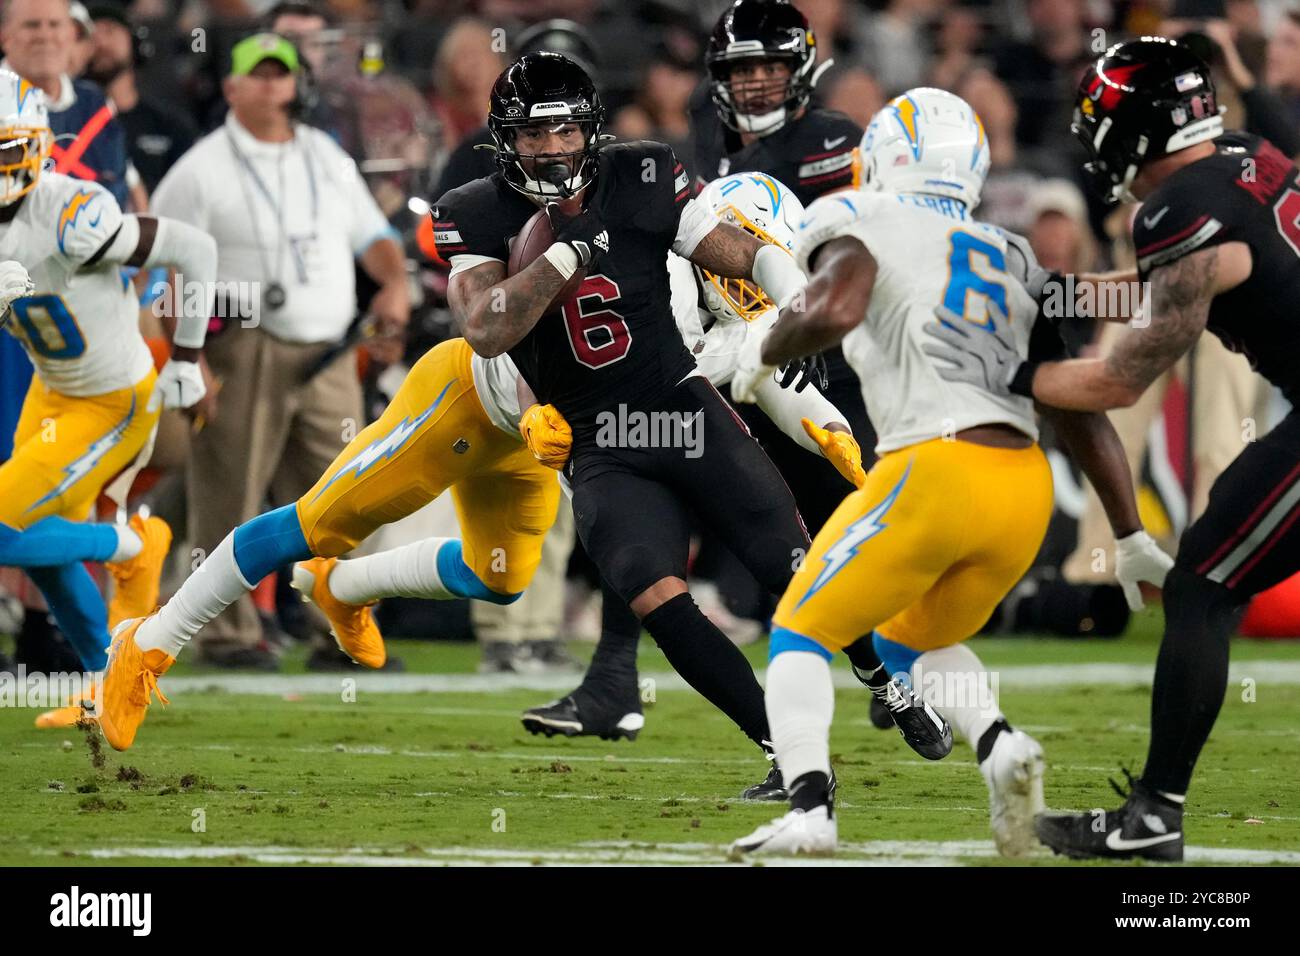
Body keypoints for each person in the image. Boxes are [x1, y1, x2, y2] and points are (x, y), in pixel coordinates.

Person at [435, 52, 944, 798]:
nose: (550, 149)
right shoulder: (474, 209)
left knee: (792, 569)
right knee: (650, 589)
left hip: (683, 410)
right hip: (599, 441)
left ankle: (883, 677)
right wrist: (565, 256)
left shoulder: (642, 174)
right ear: (504, 139)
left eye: (565, 130)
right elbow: (484, 328)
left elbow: (737, 250)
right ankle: (787, 752)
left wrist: (792, 297)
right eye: (533, 134)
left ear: (592, 129)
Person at [726, 87, 1171, 857]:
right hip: (1021, 487)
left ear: (883, 155)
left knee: (800, 629)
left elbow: (832, 309)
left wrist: (756, 351)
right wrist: (1128, 533)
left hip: (934, 464)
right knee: (916, 638)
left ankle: (809, 811)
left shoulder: (856, 215)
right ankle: (1001, 745)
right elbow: (1073, 405)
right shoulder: (1013, 253)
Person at [926, 37, 1300, 862]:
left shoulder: (1178, 210)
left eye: (1103, 118)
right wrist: (1054, 292)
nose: (1094, 133)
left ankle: (1154, 818)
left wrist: (1003, 368)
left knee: (1201, 584)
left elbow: (1119, 383)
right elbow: (1187, 281)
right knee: (1209, 573)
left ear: (1140, 126)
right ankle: (1153, 815)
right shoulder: (1244, 158)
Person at [149, 33, 409, 670]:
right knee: (228, 495)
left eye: (281, 75)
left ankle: (340, 633)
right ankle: (228, 635)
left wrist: (397, 281)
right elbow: (164, 271)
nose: (271, 86)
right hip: (242, 346)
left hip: (327, 351)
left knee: (347, 493)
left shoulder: (323, 154)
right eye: (257, 76)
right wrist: (190, 359)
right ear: (232, 87)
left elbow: (372, 236)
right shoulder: (200, 167)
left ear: (295, 84)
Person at [0, 70, 215, 719]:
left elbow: (194, 248)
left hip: (111, 399)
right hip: (52, 390)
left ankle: (130, 546)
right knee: (36, 549)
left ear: (35, 146)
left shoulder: (72, 213)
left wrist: (186, 355)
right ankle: (106, 683)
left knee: (9, 527)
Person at [85, 5, 197, 194]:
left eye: (110, 32)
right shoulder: (65, 122)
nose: (101, 43)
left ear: (136, 42)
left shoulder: (171, 127)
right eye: (91, 36)